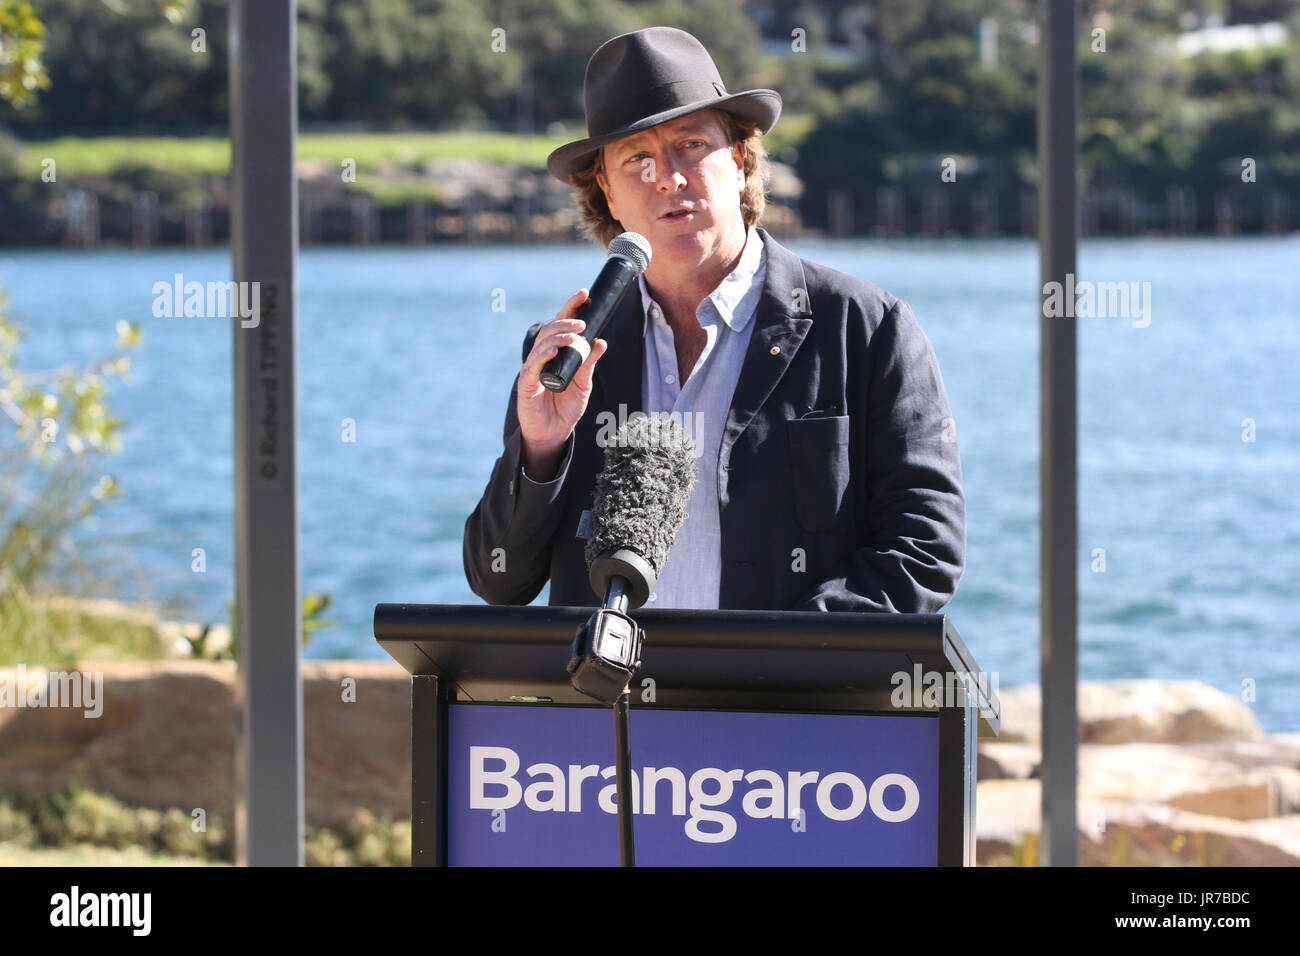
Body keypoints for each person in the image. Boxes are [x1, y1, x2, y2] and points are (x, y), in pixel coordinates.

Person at [463, 26, 964, 613]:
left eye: (692, 146)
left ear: (741, 157)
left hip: (790, 703)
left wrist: (766, 666)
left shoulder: (867, 330)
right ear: (607, 191)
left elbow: (923, 550)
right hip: (608, 706)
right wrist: (541, 449)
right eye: (637, 159)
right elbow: (498, 580)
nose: (668, 178)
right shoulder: (565, 355)